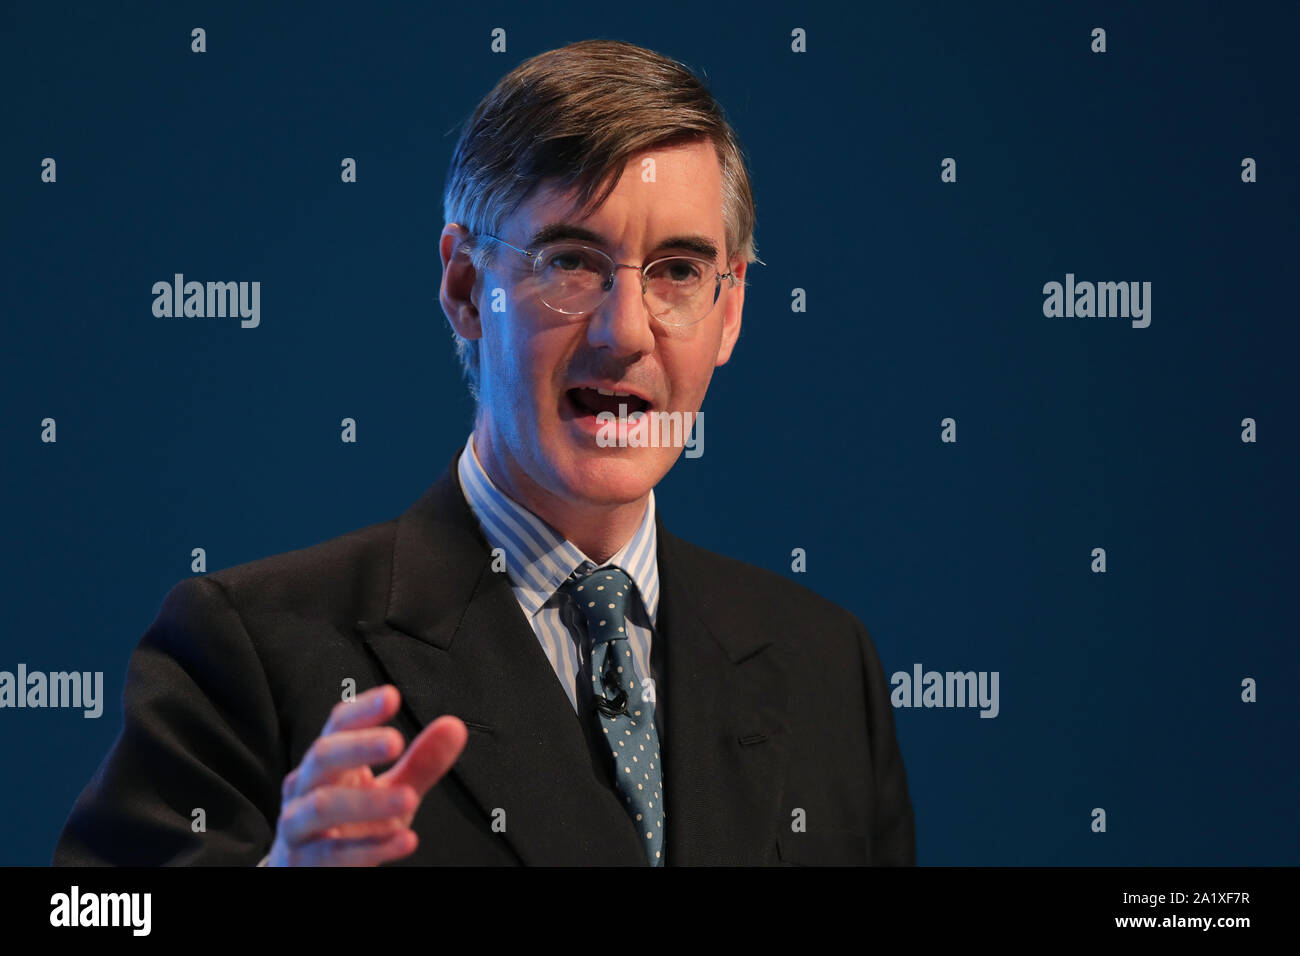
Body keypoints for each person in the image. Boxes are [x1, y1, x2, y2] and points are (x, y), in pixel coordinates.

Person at [52, 38, 915, 867]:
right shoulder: (251, 648)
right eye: (571, 262)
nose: (625, 332)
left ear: (730, 313)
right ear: (467, 288)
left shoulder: (825, 664)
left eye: (679, 271)